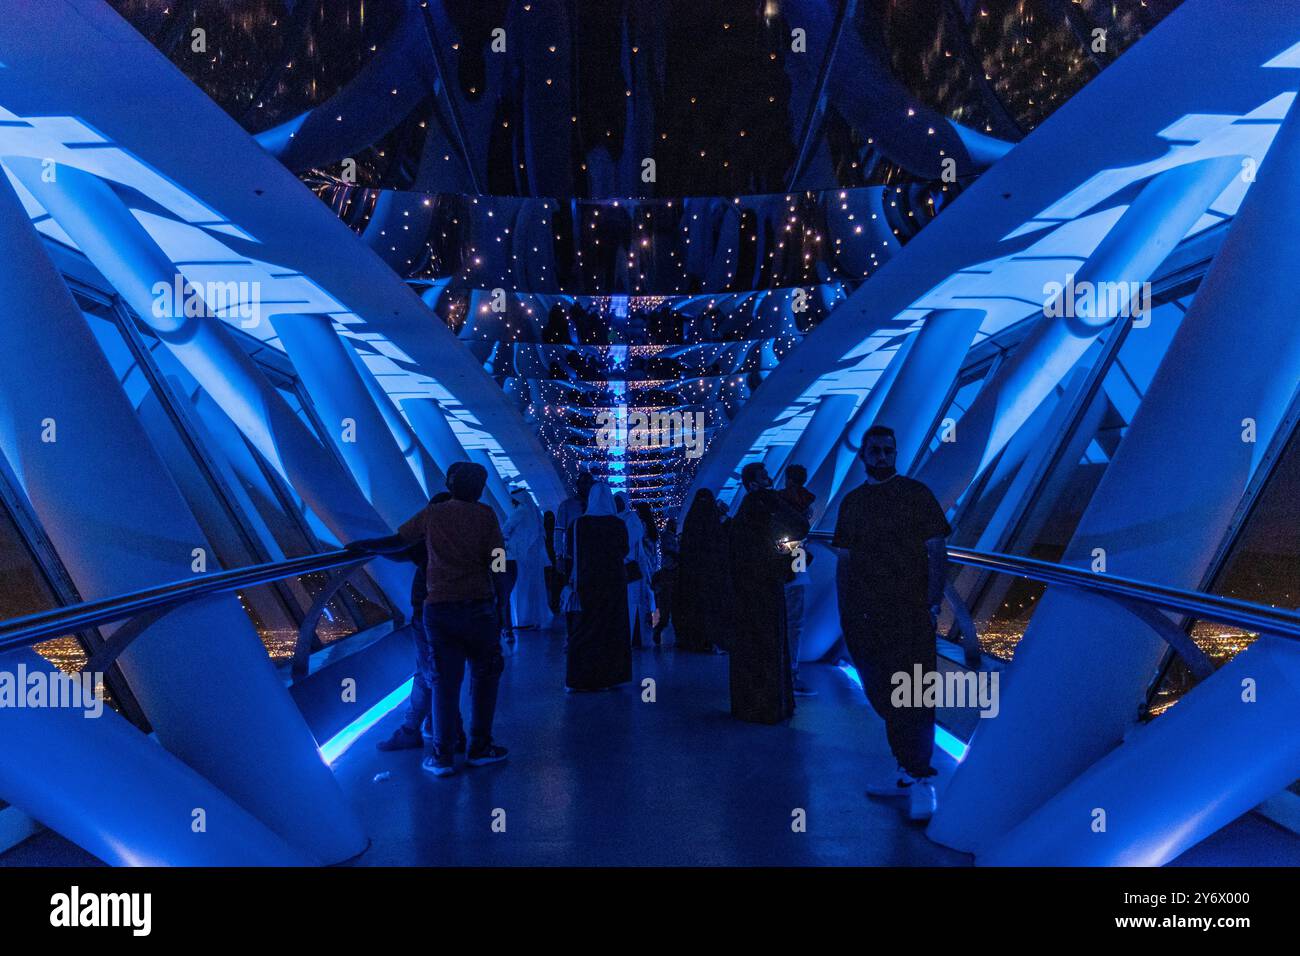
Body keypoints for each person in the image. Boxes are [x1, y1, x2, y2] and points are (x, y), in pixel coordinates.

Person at [360, 461, 510, 777]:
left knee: (443, 681)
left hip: (439, 609)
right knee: (485, 676)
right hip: (479, 606)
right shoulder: (485, 516)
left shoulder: (433, 514)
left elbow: (398, 543)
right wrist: (501, 605)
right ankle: (481, 748)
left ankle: (442, 756)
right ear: (479, 489)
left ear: (449, 485)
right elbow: (497, 561)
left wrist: (365, 546)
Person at [831, 425, 950, 821]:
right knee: (883, 691)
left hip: (910, 613)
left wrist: (931, 604)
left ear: (894, 453)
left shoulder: (916, 495)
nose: (882, 456)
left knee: (913, 694)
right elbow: (844, 563)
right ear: (864, 455)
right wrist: (846, 612)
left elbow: (937, 552)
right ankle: (906, 770)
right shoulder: (853, 503)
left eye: (888, 450)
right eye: (876, 450)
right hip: (866, 615)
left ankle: (919, 777)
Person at [353, 492, 466, 753]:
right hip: (459, 610)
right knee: (436, 672)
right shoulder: (466, 535)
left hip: (429, 611)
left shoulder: (432, 537)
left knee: (431, 673)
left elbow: (399, 546)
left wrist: (367, 545)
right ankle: (435, 728)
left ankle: (431, 732)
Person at [727, 463, 810, 724]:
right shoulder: (766, 504)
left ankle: (750, 704)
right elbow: (800, 525)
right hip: (767, 587)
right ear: (754, 483)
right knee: (771, 643)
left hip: (746, 591)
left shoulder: (742, 514)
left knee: (752, 646)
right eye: (764, 476)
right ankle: (770, 704)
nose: (769, 478)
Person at [564, 482, 632, 690]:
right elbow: (624, 550)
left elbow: (570, 553)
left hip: (587, 582)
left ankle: (579, 678)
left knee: (585, 627)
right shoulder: (618, 524)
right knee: (611, 629)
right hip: (614, 583)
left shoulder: (578, 525)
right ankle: (610, 676)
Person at [674, 489, 733, 653]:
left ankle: (695, 640)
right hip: (714, 577)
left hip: (694, 578)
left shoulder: (691, 522)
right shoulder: (716, 526)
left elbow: (686, 550)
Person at [778, 464, 818, 698]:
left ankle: (780, 670)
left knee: (783, 618)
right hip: (797, 560)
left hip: (779, 562)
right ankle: (791, 673)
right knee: (795, 622)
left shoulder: (776, 500)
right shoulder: (806, 502)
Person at [503, 488, 550, 634]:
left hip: (519, 557)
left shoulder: (520, 512)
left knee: (520, 587)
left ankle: (523, 620)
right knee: (533, 587)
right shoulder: (534, 513)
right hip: (533, 558)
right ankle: (533, 618)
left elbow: (506, 530)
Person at [616, 494, 657, 649]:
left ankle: (633, 637)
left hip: (630, 567)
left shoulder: (631, 519)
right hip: (629, 566)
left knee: (632, 603)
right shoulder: (619, 518)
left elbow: (631, 543)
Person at [554, 471, 594, 587]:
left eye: (589, 483)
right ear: (578, 485)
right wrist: (559, 556)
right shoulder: (567, 506)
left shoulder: (596, 505)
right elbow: (559, 531)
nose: (586, 486)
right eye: (583, 483)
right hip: (572, 554)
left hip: (593, 555)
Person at [651, 516, 679, 646]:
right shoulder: (670, 539)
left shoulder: (667, 537)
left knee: (665, 609)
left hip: (667, 577)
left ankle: (657, 628)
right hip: (670, 576)